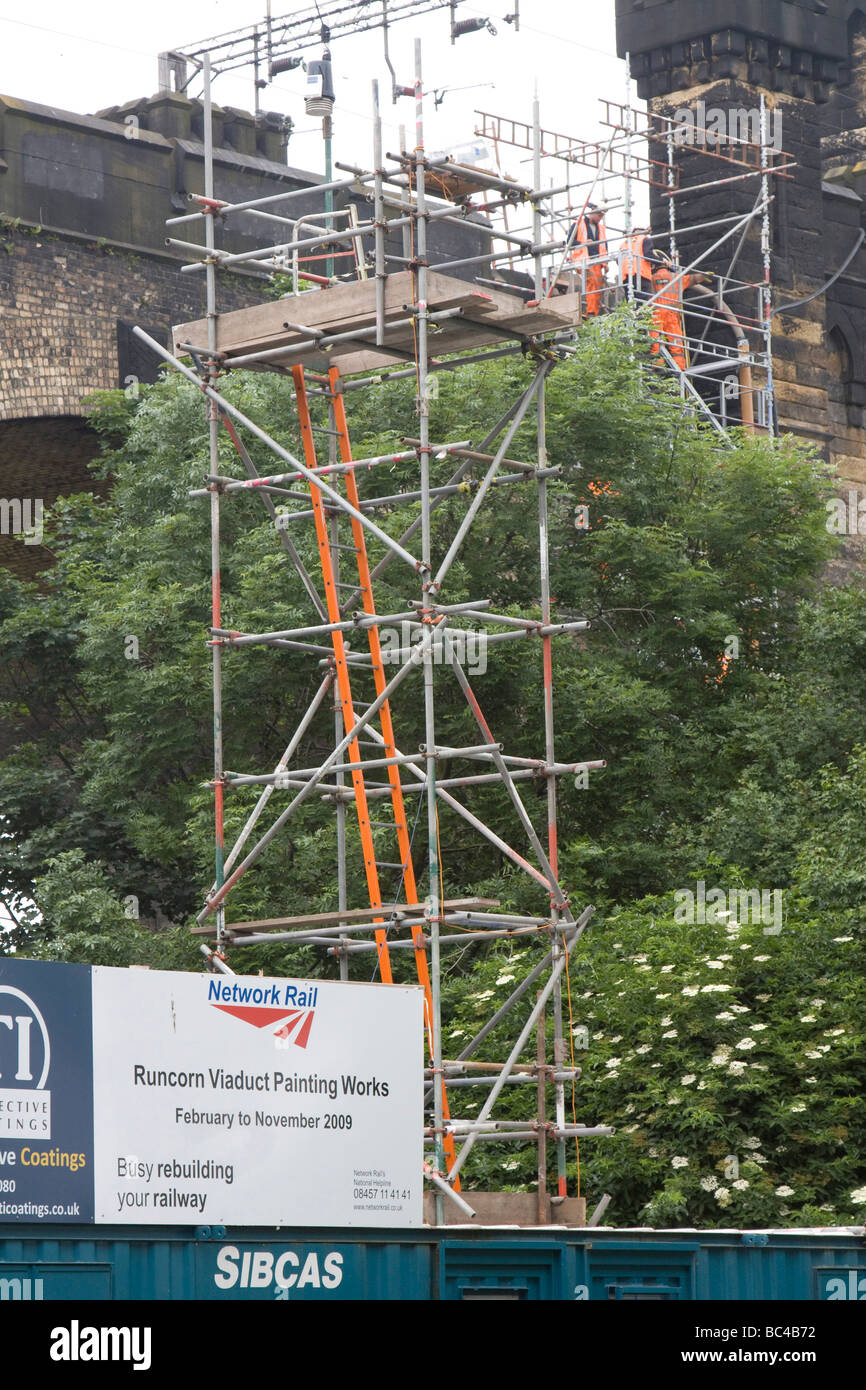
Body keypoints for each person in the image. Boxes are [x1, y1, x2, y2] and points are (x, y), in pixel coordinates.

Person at [649, 256, 710, 371]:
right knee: (676, 341)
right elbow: (691, 279)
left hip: (657, 312)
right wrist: (703, 275)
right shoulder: (675, 277)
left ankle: (657, 364)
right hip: (672, 312)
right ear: (667, 265)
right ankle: (680, 366)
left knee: (655, 338)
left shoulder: (651, 278)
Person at [567, 205, 607, 317]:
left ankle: (593, 312)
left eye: (602, 216)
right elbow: (569, 242)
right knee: (592, 283)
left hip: (598, 261)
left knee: (598, 286)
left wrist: (605, 263)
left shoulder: (601, 229)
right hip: (583, 260)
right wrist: (583, 243)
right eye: (599, 215)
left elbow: (604, 246)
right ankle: (590, 312)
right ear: (592, 213)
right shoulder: (578, 224)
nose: (600, 218)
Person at [620, 226, 655, 300]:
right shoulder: (644, 239)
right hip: (641, 274)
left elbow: (619, 261)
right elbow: (648, 255)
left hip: (626, 277)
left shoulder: (624, 243)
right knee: (642, 302)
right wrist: (661, 262)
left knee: (631, 301)